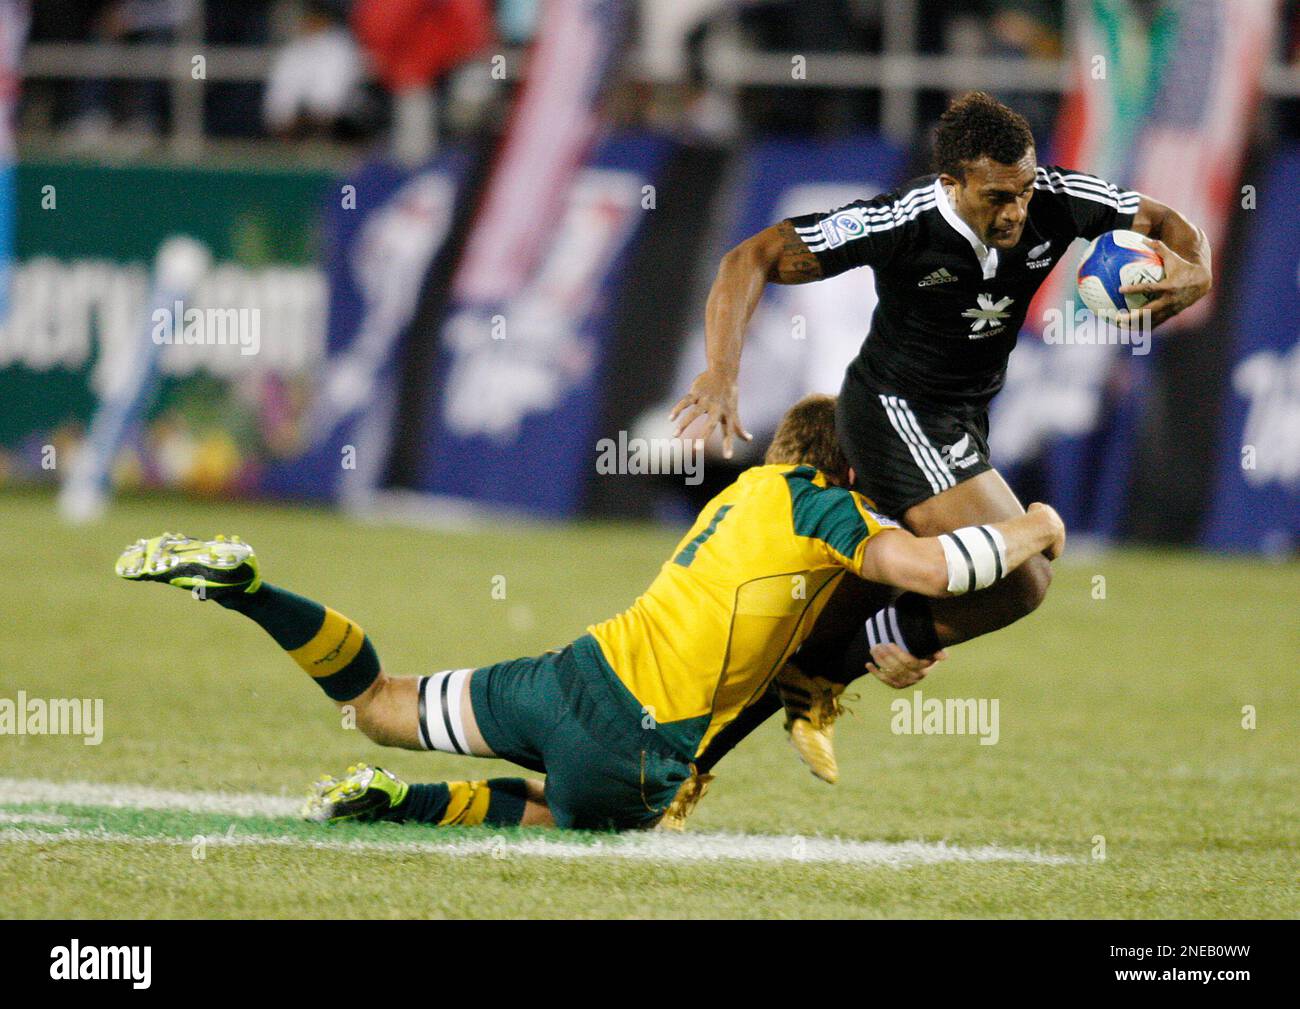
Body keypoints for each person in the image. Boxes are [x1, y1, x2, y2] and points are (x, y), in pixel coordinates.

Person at [114, 394, 1065, 832]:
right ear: (845, 470)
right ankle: (403, 804)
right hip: (635, 744)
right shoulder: (827, 504)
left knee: (377, 702)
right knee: (579, 818)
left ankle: (246, 590)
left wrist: (871, 647)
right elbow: (930, 568)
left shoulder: (737, 498)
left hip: (569, 673)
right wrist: (1034, 526)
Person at [670, 91, 1212, 784]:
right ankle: (846, 662)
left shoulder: (1055, 196)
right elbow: (750, 257)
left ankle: (702, 751)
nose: (1016, 211)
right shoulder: (903, 221)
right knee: (1024, 572)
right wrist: (720, 370)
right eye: (996, 197)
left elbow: (1165, 220)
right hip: (893, 411)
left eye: (1023, 190)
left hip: (961, 421)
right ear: (950, 184)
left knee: (853, 608)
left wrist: (1193, 269)